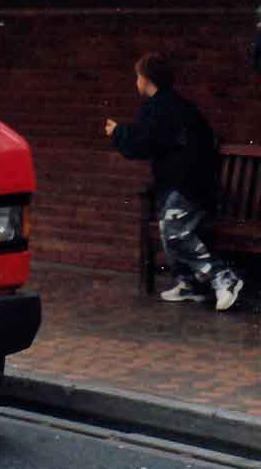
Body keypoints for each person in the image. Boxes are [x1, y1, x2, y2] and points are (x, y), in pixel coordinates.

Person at [104, 52, 244, 311]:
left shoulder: (157, 108)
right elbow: (154, 136)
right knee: (169, 230)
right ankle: (190, 284)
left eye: (137, 77)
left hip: (188, 185)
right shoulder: (176, 106)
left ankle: (223, 277)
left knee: (173, 231)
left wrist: (117, 133)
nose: (136, 82)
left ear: (146, 80)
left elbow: (141, 143)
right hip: (196, 183)